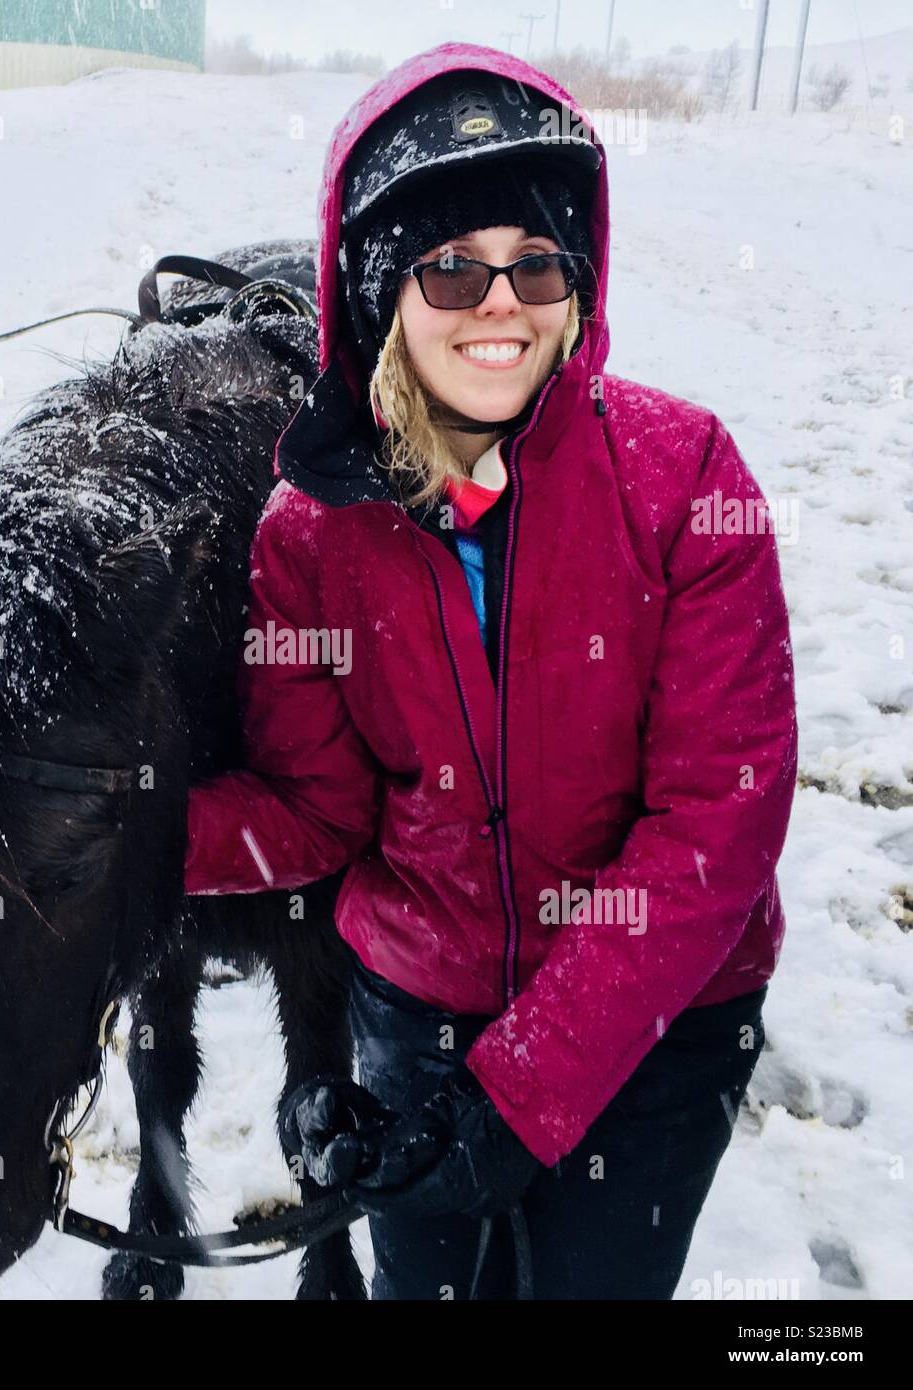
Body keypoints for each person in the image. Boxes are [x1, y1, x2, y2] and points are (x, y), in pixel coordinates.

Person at [182, 43, 798, 1300]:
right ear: (375, 291)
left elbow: (714, 826)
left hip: (663, 1020)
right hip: (420, 1006)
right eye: (451, 267)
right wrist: (111, 826)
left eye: (535, 262)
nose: (499, 302)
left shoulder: (684, 478)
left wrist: (519, 1097)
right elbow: (319, 807)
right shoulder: (309, 533)